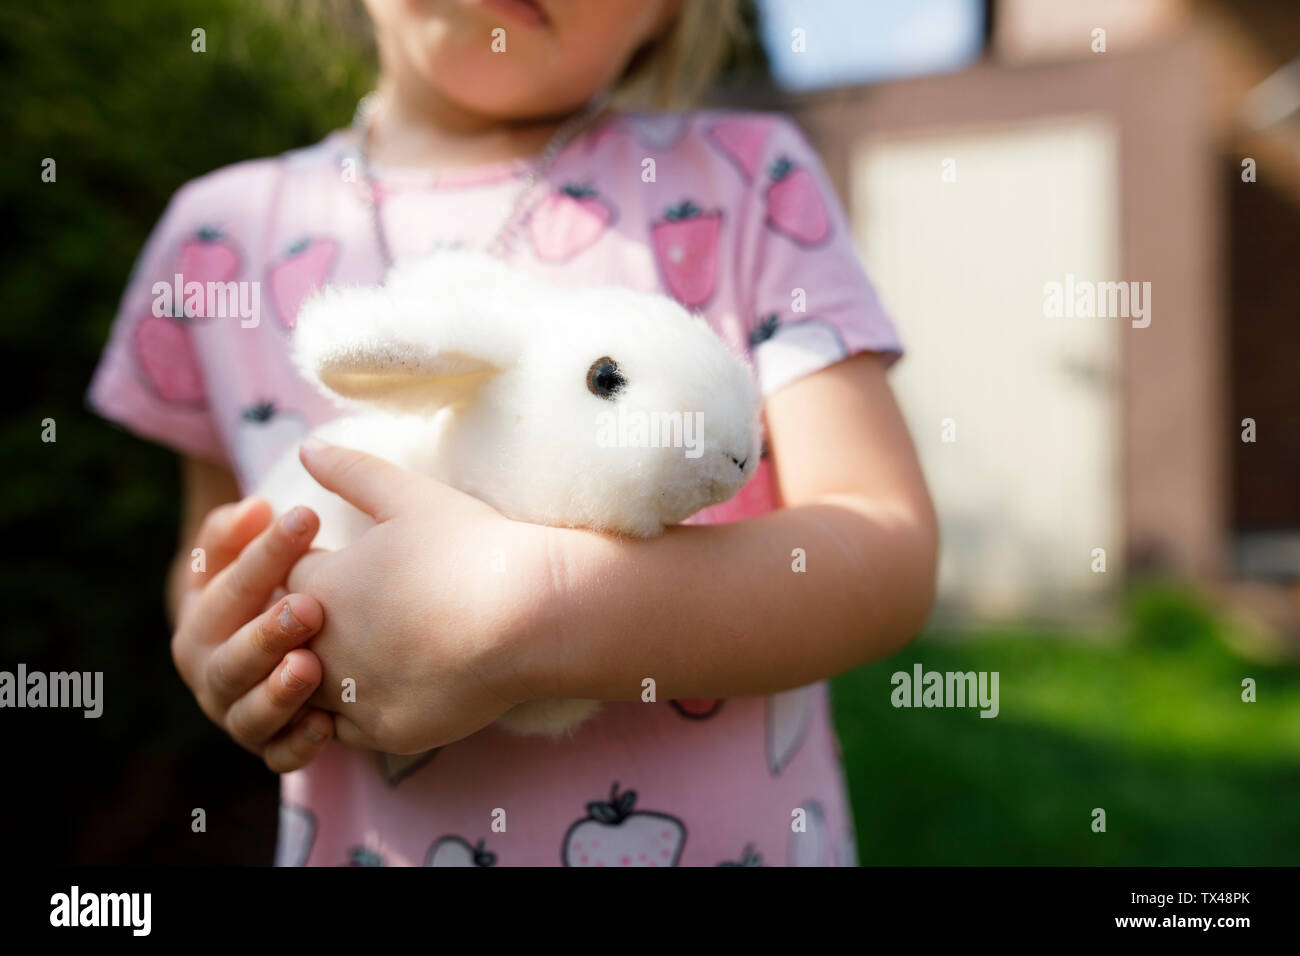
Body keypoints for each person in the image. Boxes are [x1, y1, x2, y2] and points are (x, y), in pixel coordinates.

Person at [87, 0, 937, 866]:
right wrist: (221, 651)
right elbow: (212, 547)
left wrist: (542, 611)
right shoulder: (219, 233)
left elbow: (883, 545)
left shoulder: (747, 181)